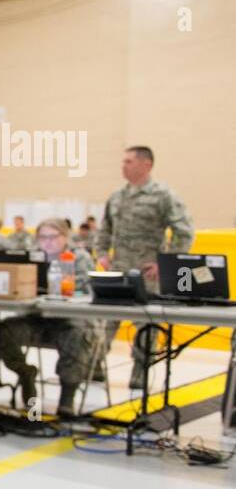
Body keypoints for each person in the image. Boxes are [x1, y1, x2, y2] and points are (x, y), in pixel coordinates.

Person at [94, 146, 195, 388]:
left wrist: (166, 262)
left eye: (128, 161)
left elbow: (184, 232)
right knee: (104, 320)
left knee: (146, 326)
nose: (123, 165)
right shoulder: (117, 196)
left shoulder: (163, 195)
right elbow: (105, 228)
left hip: (147, 274)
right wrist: (102, 255)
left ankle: (140, 370)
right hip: (117, 271)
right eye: (123, 161)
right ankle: (95, 365)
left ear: (146, 164)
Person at [0, 218, 97, 418]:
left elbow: (87, 290)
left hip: (68, 320)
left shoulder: (79, 257)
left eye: (53, 237)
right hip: (37, 319)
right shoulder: (31, 257)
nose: (47, 242)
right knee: (2, 331)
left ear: (65, 237)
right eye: (42, 237)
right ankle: (25, 373)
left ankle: (67, 398)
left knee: (77, 336)